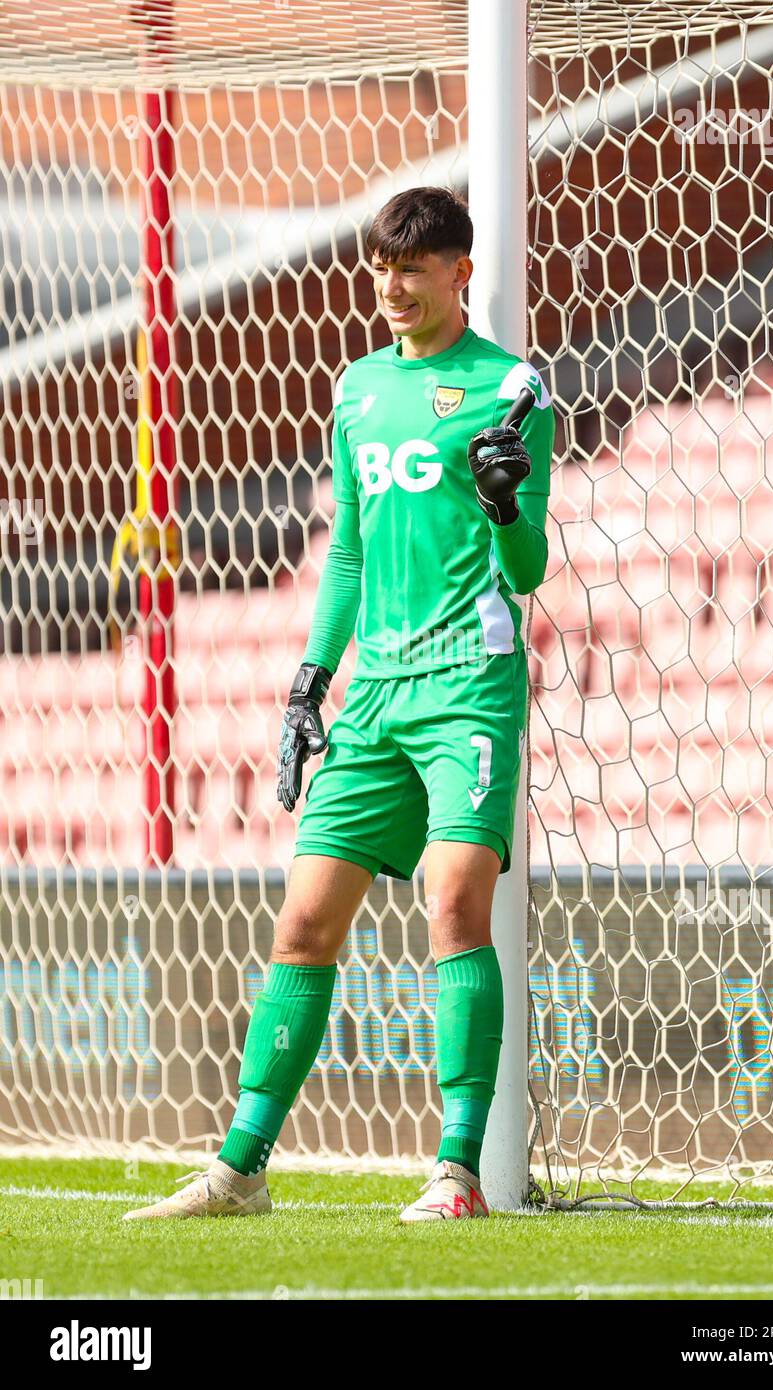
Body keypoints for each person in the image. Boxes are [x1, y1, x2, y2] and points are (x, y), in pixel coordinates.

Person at [124, 185, 554, 1224]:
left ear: (459, 271)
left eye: (414, 268)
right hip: (374, 695)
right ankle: (238, 1171)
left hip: (467, 687)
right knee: (305, 921)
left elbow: (528, 565)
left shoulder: (511, 388)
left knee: (454, 899)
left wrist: (502, 504)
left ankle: (455, 1172)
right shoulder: (357, 389)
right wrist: (310, 681)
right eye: (381, 267)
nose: (392, 286)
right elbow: (350, 551)